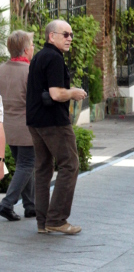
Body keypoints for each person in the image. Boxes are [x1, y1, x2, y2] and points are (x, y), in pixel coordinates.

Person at [26, 19, 87, 235]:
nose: (70, 38)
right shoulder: (53, 58)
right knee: (70, 165)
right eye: (66, 34)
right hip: (53, 122)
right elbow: (56, 93)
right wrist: (74, 92)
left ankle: (43, 222)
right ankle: (57, 219)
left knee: (42, 169)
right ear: (52, 36)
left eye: (71, 34)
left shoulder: (38, 57)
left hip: (35, 121)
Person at [0, 31, 35, 222]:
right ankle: (7, 203)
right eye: (32, 45)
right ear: (26, 49)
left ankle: (30, 206)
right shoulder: (30, 71)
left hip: (8, 127)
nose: (33, 48)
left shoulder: (1, 69)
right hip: (26, 126)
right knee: (27, 164)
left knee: (24, 165)